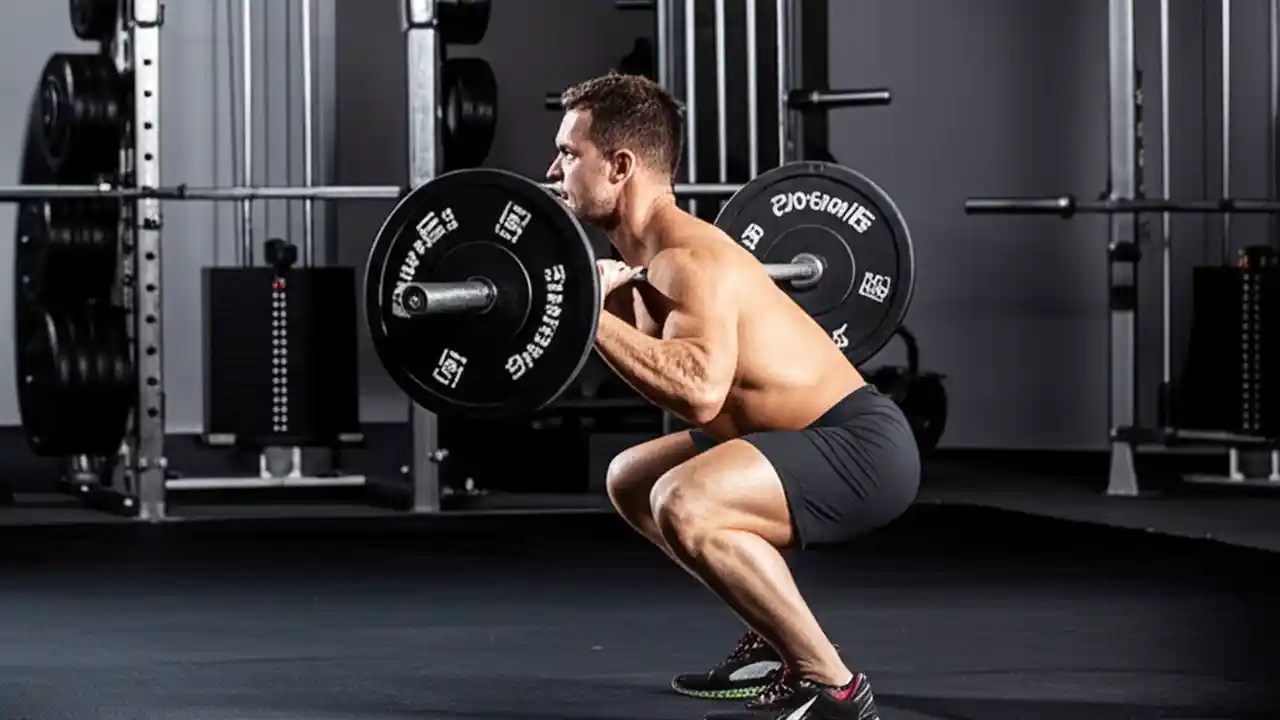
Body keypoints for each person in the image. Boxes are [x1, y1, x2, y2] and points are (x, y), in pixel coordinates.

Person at [546, 72, 921, 720]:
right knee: (633, 478)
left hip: (857, 446)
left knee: (684, 499)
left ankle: (832, 687)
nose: (553, 169)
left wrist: (586, 314)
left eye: (569, 153)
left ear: (621, 166)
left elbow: (696, 391)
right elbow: (664, 369)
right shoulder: (647, 259)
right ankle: (774, 644)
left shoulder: (689, 259)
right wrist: (600, 307)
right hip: (784, 437)